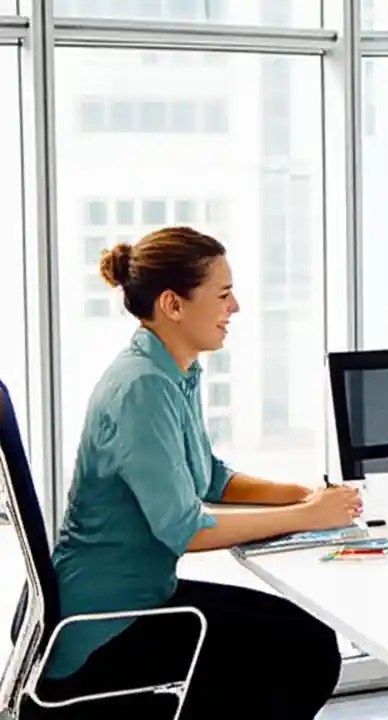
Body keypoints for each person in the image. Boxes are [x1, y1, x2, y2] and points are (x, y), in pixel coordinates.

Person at [30, 227, 361, 719]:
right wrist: (308, 517)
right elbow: (187, 529)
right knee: (303, 652)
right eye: (223, 294)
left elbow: (210, 479)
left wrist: (301, 497)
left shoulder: (173, 370)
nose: (236, 308)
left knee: (307, 637)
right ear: (173, 304)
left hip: (140, 598)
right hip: (103, 631)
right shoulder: (142, 388)